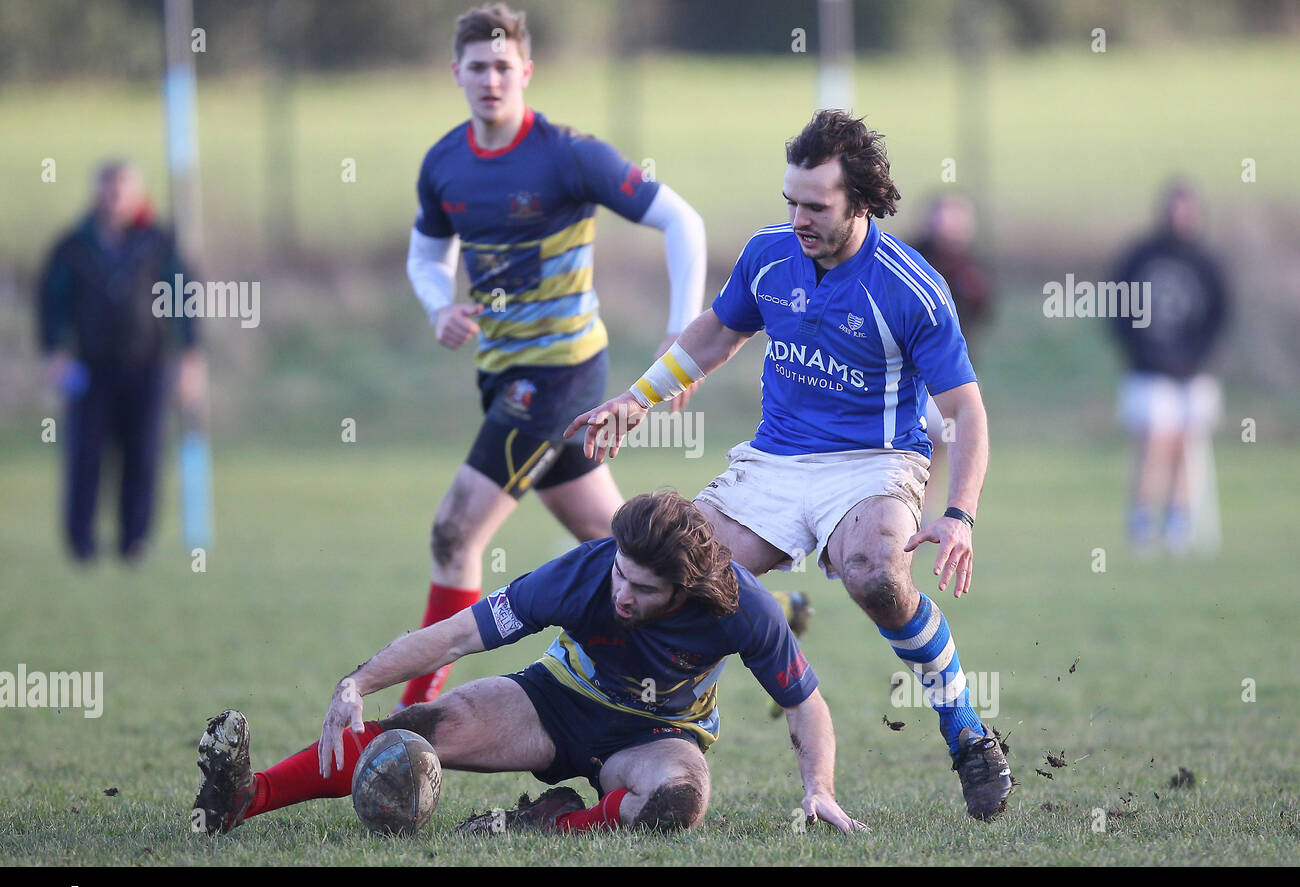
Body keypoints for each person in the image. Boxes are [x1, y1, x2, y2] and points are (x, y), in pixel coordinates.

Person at [567, 110, 1014, 821]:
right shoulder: (769, 255)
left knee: (874, 573)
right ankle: (636, 737)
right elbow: (716, 332)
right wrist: (637, 397)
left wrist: (959, 514)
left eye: (816, 206)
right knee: (676, 573)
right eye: (791, 202)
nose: (798, 217)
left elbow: (967, 411)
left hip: (875, 462)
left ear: (859, 203)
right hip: (775, 461)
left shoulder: (910, 286)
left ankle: (966, 732)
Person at [191, 491, 865, 836]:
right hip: (553, 703)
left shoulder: (745, 608)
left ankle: (544, 823)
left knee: (679, 801)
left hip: (656, 737)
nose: (622, 593)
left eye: (644, 589)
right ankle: (246, 799)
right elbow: (456, 635)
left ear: (684, 588)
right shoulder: (582, 575)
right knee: (422, 727)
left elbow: (805, 702)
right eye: (620, 577)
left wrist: (820, 789)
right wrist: (358, 681)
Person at [397, 3, 711, 708]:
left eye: (503, 66)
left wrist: (679, 329)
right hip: (502, 375)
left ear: (526, 71)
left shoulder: (569, 154)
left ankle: (411, 713)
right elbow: (426, 253)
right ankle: (756, 614)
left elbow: (680, 220)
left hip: (561, 374)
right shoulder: (445, 162)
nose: (491, 79)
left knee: (455, 531)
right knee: (623, 548)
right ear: (456, 73)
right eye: (477, 67)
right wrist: (438, 306)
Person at [36, 160, 205, 562]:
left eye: (122, 189)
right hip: (91, 367)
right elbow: (52, 302)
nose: (114, 198)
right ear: (97, 192)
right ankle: (81, 543)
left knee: (143, 454)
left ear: (136, 193)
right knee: (86, 455)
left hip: (146, 366)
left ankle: (135, 541)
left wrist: (189, 356)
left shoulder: (157, 242)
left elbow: (183, 299)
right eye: (108, 189)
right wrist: (56, 351)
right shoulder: (74, 246)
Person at [1111, 181, 1229, 554]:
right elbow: (1118, 308)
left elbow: (1219, 315)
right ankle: (1142, 519)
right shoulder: (1141, 256)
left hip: (1193, 371)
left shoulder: (1205, 262)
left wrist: (1197, 357)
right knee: (1155, 441)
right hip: (1148, 370)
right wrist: (1142, 353)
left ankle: (1179, 521)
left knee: (1186, 444)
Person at [910, 194, 994, 524]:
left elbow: (985, 311)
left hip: (956, 371)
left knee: (943, 441)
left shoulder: (972, 266)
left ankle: (928, 507)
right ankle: (911, 506)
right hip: (915, 372)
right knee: (918, 441)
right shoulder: (914, 258)